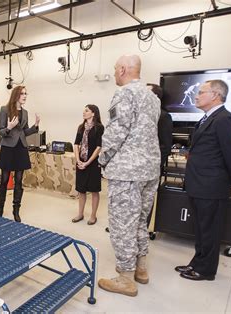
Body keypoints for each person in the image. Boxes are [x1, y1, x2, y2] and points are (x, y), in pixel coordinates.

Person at [97, 55, 160, 297]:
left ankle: (125, 278)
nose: (114, 73)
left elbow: (116, 132)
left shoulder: (125, 94)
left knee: (122, 224)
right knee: (140, 221)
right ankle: (141, 269)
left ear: (123, 69)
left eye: (115, 69)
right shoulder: (152, 97)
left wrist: (102, 159)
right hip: (149, 169)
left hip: (127, 171)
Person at [175, 80, 231, 281]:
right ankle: (197, 262)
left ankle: (206, 270)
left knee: (209, 230)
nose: (196, 96)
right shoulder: (208, 118)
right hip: (200, 184)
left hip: (212, 186)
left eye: (201, 92)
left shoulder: (224, 119)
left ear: (215, 95)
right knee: (201, 229)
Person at [0, 86, 40, 222]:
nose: (25, 96)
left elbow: (24, 132)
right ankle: (0, 210)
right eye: (22, 93)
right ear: (16, 95)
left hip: (21, 148)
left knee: (19, 181)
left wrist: (36, 126)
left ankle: (16, 211)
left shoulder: (25, 112)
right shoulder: (4, 110)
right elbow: (1, 131)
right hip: (8, 148)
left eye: (26, 93)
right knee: (4, 180)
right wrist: (9, 127)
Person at [71, 104, 104, 225]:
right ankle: (80, 213)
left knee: (94, 190)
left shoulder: (99, 128)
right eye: (84, 110)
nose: (84, 113)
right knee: (81, 190)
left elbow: (99, 147)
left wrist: (88, 162)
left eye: (86, 111)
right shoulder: (81, 127)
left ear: (93, 113)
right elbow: (76, 144)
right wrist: (78, 160)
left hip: (93, 163)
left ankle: (93, 216)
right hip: (81, 162)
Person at [146, 83, 173, 228]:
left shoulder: (163, 116)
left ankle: (142, 230)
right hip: (135, 168)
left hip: (150, 169)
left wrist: (154, 165)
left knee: (146, 202)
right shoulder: (140, 115)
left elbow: (165, 146)